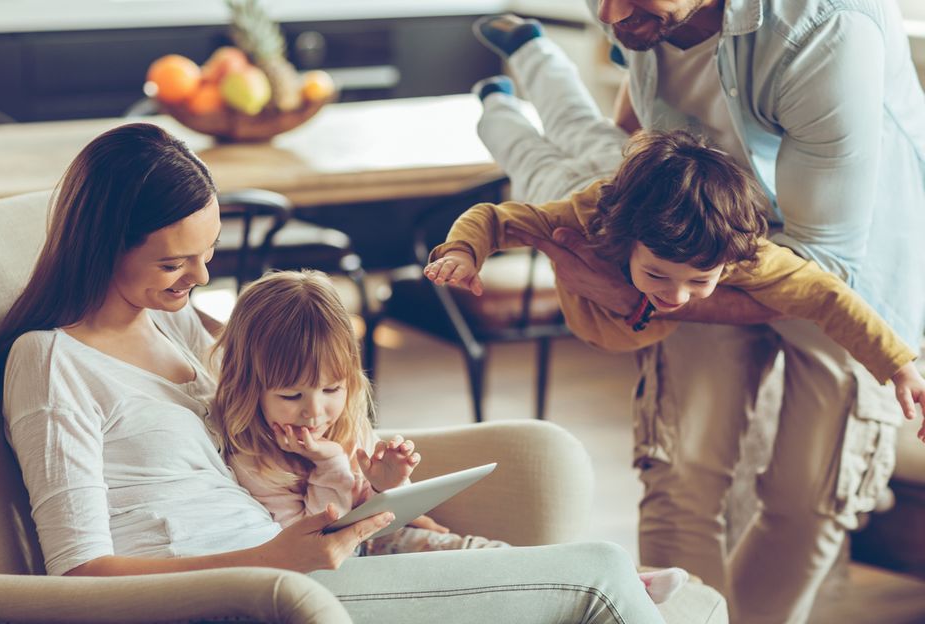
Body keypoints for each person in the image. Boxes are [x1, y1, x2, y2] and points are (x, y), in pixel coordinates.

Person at [0, 121, 673, 623]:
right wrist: (271, 562)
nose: (199, 278)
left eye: (208, 253)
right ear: (104, 245)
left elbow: (302, 385)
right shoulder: (50, 362)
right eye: (174, 263)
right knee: (600, 576)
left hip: (301, 569)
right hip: (234, 597)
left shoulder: (175, 321)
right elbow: (79, 571)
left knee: (604, 573)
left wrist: (371, 488)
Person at [469, 6, 925, 623]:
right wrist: (621, 201)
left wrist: (634, 299)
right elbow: (643, 107)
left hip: (838, 264)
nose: (608, 13)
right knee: (679, 474)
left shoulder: (828, 28)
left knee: (811, 496)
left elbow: (824, 271)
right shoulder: (634, 16)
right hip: (686, 238)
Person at [212, 268, 691, 603]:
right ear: (249, 385)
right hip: (352, 568)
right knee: (470, 565)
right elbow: (322, 539)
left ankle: (620, 578)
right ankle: (604, 580)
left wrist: (388, 485)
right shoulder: (255, 459)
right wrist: (330, 462)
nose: (315, 410)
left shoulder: (339, 423)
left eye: (331, 389)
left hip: (381, 540)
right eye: (291, 394)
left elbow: (368, 506)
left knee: (477, 551)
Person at [424, 129, 925, 427]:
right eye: (657, 275)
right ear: (627, 239)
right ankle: (501, 94)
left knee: (588, 136)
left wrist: (900, 367)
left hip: (621, 181)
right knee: (536, 151)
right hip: (572, 197)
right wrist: (464, 252)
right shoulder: (588, 217)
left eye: (698, 281)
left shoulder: (746, 255)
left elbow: (829, 296)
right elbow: (494, 217)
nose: (677, 296)